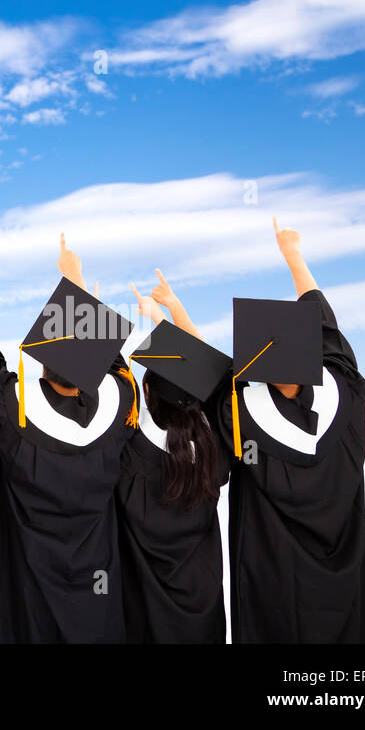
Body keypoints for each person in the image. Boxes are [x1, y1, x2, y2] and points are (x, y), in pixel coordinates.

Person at [0, 230, 135, 643]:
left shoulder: (12, 413)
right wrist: (76, 282)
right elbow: (112, 361)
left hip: (28, 593)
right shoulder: (120, 410)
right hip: (95, 596)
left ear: (40, 366)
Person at [220, 220, 365, 643]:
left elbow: (199, 376)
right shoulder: (346, 398)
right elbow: (330, 332)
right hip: (345, 588)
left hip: (277, 591)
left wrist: (169, 314)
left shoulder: (239, 417)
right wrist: (293, 253)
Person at [115, 274, 230, 643]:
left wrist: (83, 298)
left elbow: (109, 383)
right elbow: (215, 380)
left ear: (145, 391)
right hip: (203, 609)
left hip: (146, 615)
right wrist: (170, 312)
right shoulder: (217, 458)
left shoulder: (129, 455)